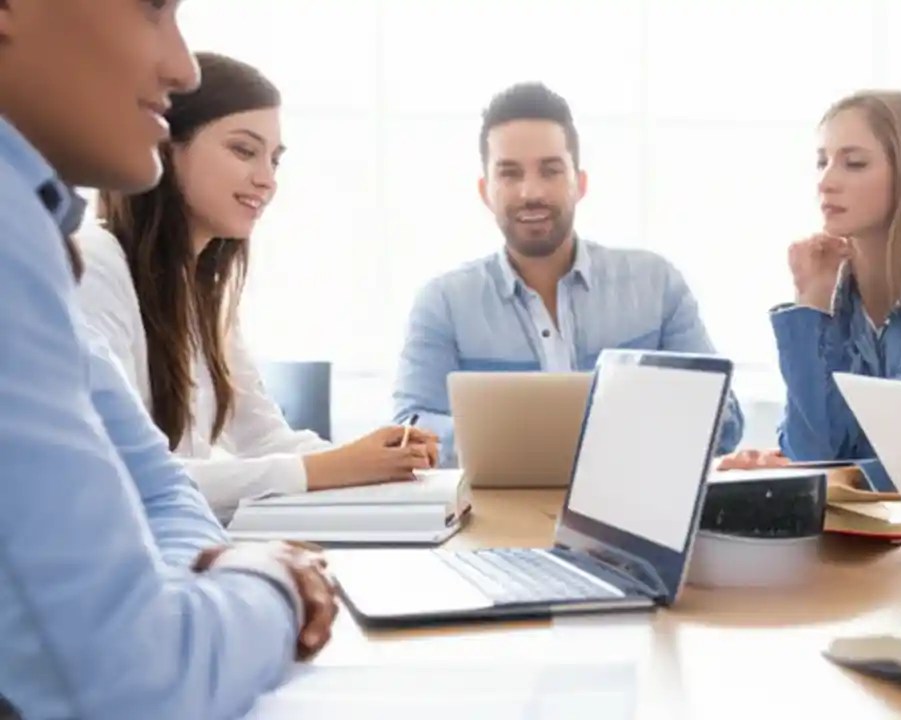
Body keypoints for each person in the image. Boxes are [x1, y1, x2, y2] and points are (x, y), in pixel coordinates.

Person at [0, 1, 334, 718]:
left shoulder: (31, 232)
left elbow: (158, 490)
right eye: (153, 9)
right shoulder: (29, 243)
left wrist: (202, 581)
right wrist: (265, 577)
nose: (181, 68)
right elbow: (131, 685)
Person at [78, 51, 439, 524]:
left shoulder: (202, 293)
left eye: (274, 159)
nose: (266, 180)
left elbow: (267, 438)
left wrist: (374, 459)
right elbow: (131, 476)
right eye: (244, 151)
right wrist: (331, 467)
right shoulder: (97, 264)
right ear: (167, 146)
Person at [392, 82, 743, 466]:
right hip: (492, 520)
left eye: (550, 170)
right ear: (485, 191)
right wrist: (538, 442)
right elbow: (408, 430)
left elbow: (723, 421)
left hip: (633, 513)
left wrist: (545, 437)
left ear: (580, 183)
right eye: (510, 174)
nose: (531, 192)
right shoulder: (443, 303)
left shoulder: (657, 286)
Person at [720, 90, 901, 491]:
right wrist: (811, 303)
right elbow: (812, 449)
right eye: (822, 162)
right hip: (861, 526)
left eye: (854, 163)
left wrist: (797, 477)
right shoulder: (837, 290)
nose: (826, 181)